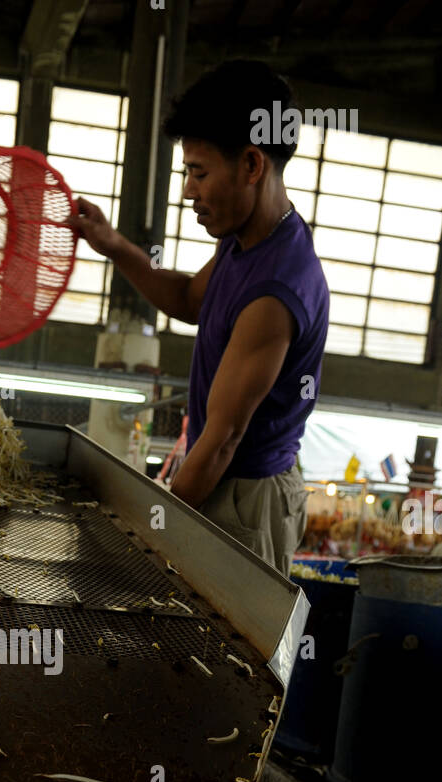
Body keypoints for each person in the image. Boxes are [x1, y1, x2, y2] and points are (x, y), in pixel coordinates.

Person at [67, 59, 330, 579]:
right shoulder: (249, 241)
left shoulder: (274, 291)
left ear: (252, 165)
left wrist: (142, 532)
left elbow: (220, 443)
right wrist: (115, 246)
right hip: (220, 479)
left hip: (244, 502)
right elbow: (190, 298)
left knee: (232, 654)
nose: (189, 190)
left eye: (199, 172)